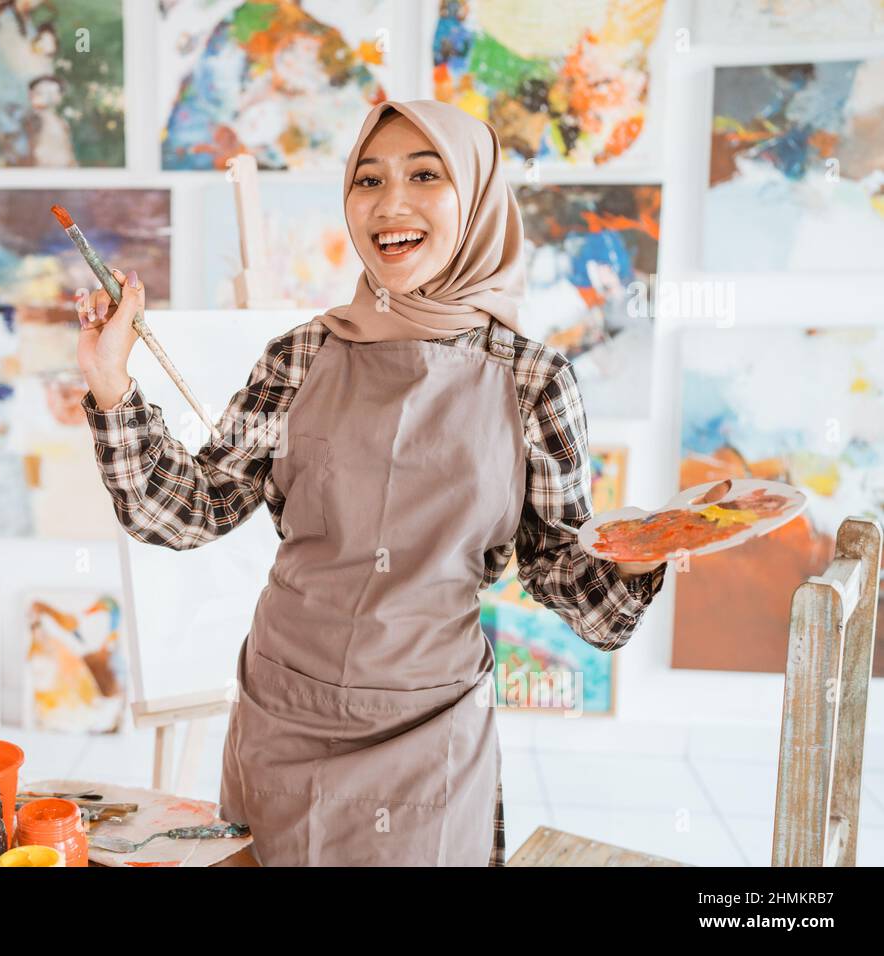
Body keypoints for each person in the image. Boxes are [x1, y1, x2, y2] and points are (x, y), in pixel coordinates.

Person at [74, 99, 668, 866]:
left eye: (426, 174)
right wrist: (111, 383)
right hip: (282, 713)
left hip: (427, 729)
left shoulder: (533, 381)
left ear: (478, 197)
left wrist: (642, 555)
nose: (390, 204)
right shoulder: (298, 357)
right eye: (367, 179)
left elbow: (572, 586)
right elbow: (191, 510)